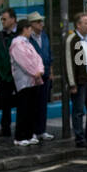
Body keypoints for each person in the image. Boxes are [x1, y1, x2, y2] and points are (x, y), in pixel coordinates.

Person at [65, 11, 87, 148]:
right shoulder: (73, 39)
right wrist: (72, 83)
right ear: (78, 25)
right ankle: (80, 139)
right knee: (79, 110)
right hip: (80, 80)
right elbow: (69, 62)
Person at [9, 17, 44, 146]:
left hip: (32, 81)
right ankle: (19, 136)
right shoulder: (17, 43)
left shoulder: (27, 42)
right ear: (25, 29)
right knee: (23, 109)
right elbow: (24, 62)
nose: (31, 31)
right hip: (23, 82)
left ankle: (29, 134)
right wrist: (36, 72)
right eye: (30, 29)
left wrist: (40, 69)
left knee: (31, 109)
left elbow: (37, 57)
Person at [28, 13, 54, 142]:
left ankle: (41, 130)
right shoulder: (28, 39)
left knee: (43, 103)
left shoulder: (44, 36)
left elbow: (49, 54)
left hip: (46, 74)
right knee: (34, 104)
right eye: (38, 22)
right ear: (31, 24)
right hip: (34, 75)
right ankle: (32, 131)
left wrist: (51, 72)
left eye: (41, 21)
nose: (41, 24)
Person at [0, 8, 18, 140]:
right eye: (1, 19)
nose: (2, 21)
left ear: (13, 19)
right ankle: (5, 128)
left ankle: (22, 128)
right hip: (4, 74)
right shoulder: (0, 35)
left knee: (22, 102)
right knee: (5, 102)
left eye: (4, 19)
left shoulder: (19, 34)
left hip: (17, 74)